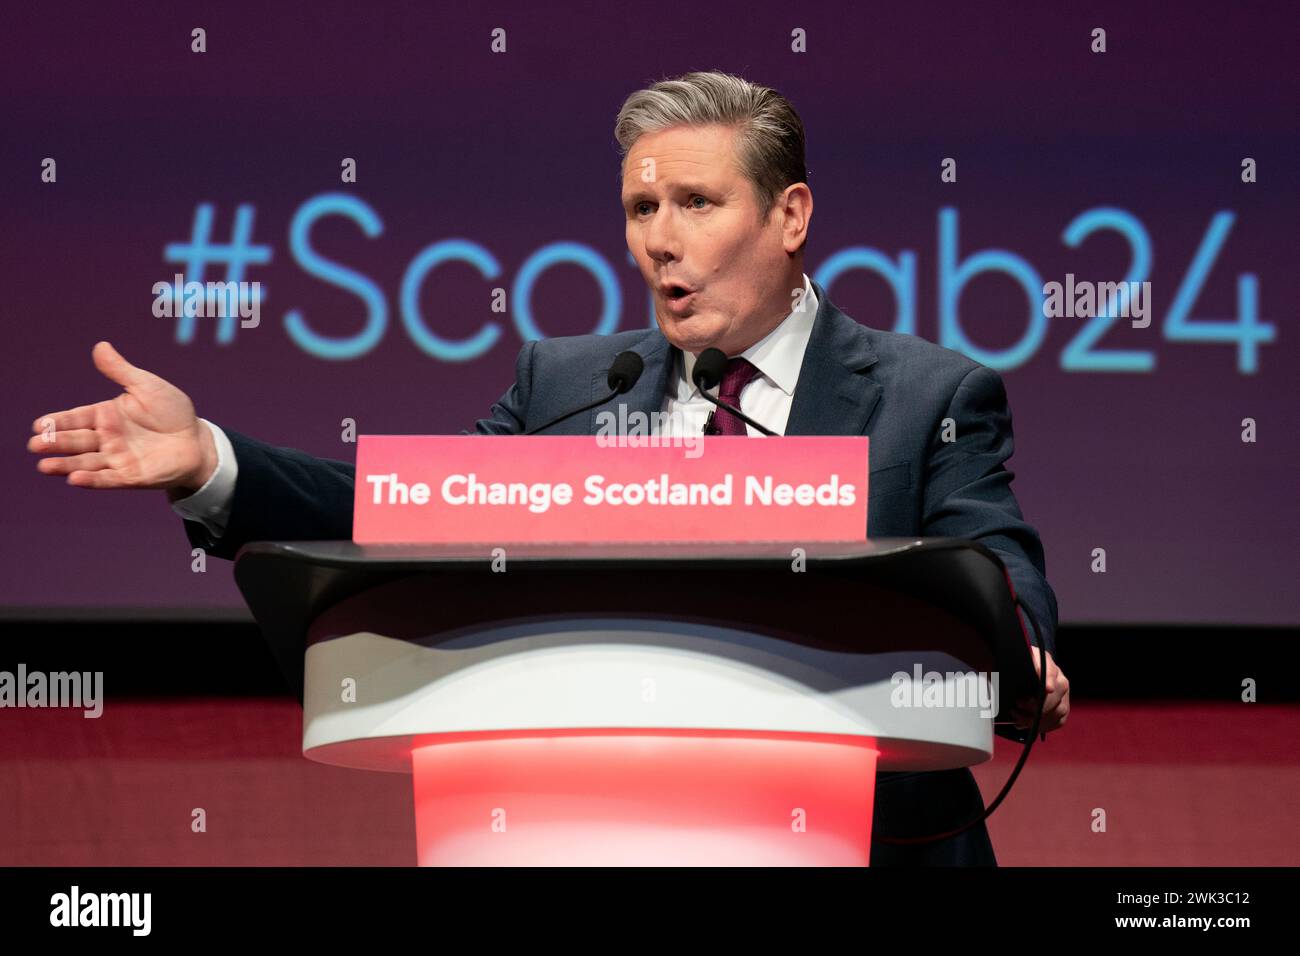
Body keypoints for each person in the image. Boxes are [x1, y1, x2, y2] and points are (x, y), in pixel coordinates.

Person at [29, 70, 1069, 865]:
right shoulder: (574, 382)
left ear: (789, 216)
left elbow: (993, 549)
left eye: (697, 204)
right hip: (590, 828)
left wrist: (1021, 646)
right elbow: (409, 508)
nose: (660, 242)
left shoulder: (928, 394)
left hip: (862, 841)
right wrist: (209, 459)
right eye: (639, 210)